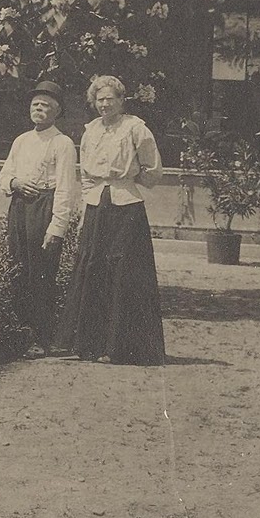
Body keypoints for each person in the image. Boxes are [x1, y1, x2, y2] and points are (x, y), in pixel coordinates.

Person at [53, 75, 166, 366]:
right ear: (94, 103)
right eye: (99, 99)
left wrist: (127, 179)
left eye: (110, 99)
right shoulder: (90, 131)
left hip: (126, 207)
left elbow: (153, 171)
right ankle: (90, 343)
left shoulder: (135, 128)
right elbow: (86, 175)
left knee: (123, 271)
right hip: (96, 207)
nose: (104, 104)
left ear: (121, 100)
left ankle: (122, 347)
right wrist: (87, 205)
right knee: (93, 270)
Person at [0, 80, 80, 358]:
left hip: (44, 208)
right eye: (35, 105)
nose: (39, 110)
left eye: (46, 106)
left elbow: (67, 188)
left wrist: (57, 228)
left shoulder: (63, 143)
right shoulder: (21, 140)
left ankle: (43, 338)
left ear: (57, 112)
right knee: (18, 270)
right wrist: (15, 182)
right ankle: (21, 333)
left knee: (42, 273)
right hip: (20, 208)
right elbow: (4, 175)